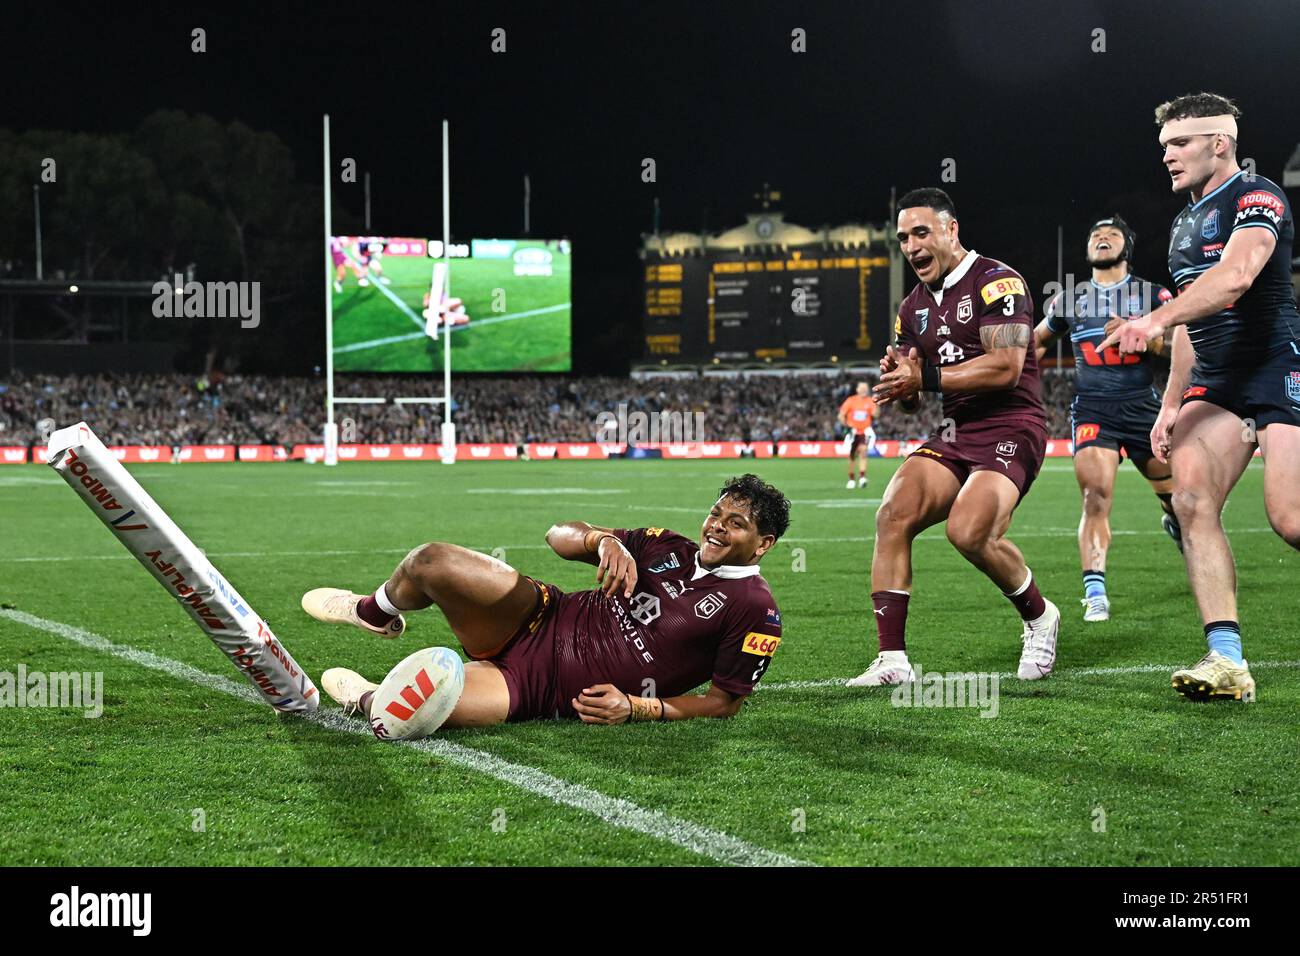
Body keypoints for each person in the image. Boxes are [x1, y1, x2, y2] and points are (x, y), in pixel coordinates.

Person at [302, 474, 789, 727]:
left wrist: (641, 708)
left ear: (763, 543)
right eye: (715, 513)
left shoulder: (755, 609)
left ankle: (367, 696)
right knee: (431, 560)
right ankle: (373, 613)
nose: (716, 526)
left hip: (541, 689)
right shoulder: (666, 545)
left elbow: (723, 703)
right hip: (538, 614)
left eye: (736, 523)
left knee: (401, 716)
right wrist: (602, 541)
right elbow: (557, 534)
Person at [1100, 92, 1300, 702]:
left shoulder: (1257, 196)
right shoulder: (1184, 221)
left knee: (1289, 519)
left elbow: (1235, 279)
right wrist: (1169, 404)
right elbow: (1192, 323)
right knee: (1188, 500)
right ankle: (1227, 659)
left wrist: (1152, 321)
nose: (1167, 155)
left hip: (1273, 368)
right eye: (1163, 145)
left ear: (1220, 143)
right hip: (1216, 381)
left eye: (1180, 143)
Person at [848, 187, 1059, 687]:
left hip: (1014, 426)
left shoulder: (998, 282)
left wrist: (925, 379)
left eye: (921, 232)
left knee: (967, 532)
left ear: (951, 229)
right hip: (956, 431)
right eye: (903, 238)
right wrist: (902, 381)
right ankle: (892, 660)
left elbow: (1006, 368)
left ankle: (1040, 615)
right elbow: (914, 400)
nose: (912, 246)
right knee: (892, 514)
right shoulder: (911, 308)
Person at [1034, 216, 1182, 623]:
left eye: (1112, 234)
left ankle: (1176, 522)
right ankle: (1095, 591)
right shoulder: (1069, 299)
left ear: (1127, 248)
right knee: (1095, 496)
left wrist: (1146, 337)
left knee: (1180, 499)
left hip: (1143, 408)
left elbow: (1185, 347)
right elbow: (1035, 343)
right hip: (1094, 410)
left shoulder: (1153, 294)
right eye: (1095, 234)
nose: (1102, 238)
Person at [837, 382, 878, 488]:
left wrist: (877, 404)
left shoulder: (870, 401)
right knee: (852, 455)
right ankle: (851, 478)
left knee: (863, 451)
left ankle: (862, 477)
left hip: (864, 431)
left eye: (866, 388)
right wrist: (846, 426)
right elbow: (841, 415)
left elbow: (876, 415)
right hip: (853, 432)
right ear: (857, 389)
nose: (864, 390)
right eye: (862, 388)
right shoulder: (851, 401)